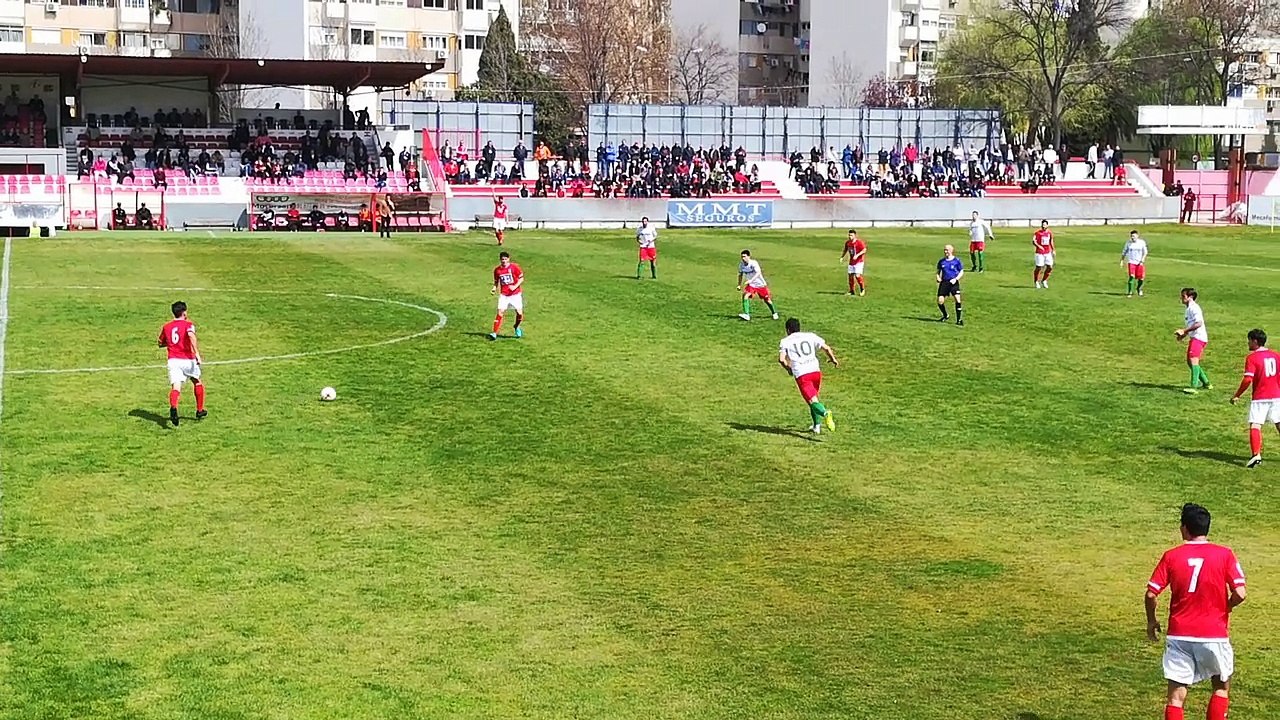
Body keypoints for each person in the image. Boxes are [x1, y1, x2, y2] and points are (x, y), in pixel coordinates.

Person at [1145, 503, 1246, 720]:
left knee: (1175, 698)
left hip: (1179, 634)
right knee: (1220, 686)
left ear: (1184, 529)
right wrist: (1226, 607)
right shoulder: (1225, 554)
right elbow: (1241, 592)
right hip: (1214, 633)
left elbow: (1151, 594)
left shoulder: (1172, 556)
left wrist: (1151, 621)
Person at [1228, 328, 1280, 468]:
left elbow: (1247, 380)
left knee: (1255, 424)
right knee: (1279, 423)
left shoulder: (1252, 358)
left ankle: (1256, 455)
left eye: (1249, 340)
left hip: (1260, 397)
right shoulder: (1276, 356)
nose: (1248, 343)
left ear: (1255, 341)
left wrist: (1237, 395)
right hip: (1276, 396)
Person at [778, 317, 838, 434]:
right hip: (815, 372)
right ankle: (816, 426)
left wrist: (788, 369)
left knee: (812, 401)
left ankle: (825, 413)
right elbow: (826, 348)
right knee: (814, 399)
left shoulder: (785, 341)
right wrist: (833, 359)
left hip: (802, 375)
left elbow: (781, 359)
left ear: (788, 330)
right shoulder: (810, 336)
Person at [157, 300, 207, 427]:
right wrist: (197, 353)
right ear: (184, 312)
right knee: (197, 381)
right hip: (187, 359)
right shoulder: (188, 324)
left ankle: (173, 407)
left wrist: (171, 343)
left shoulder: (166, 327)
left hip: (173, 360)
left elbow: (160, 343)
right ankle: (200, 410)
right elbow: (191, 336)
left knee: (176, 387)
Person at [1175, 288, 1212, 394]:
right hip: (1195, 337)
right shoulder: (1188, 309)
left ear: (1190, 297)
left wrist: (1184, 330)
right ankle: (1206, 383)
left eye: (1183, 296)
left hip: (1198, 338)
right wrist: (1183, 335)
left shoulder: (1194, 308)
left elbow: (1198, 323)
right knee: (1190, 362)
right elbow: (1192, 324)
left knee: (1193, 360)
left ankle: (1194, 387)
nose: (1181, 298)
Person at [489, 251, 524, 340]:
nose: (504, 261)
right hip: (504, 295)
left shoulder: (514, 267)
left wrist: (515, 286)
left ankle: (516, 327)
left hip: (515, 294)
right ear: (500, 260)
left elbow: (521, 278)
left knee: (519, 314)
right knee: (500, 312)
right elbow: (496, 282)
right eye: (502, 259)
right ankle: (494, 333)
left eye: (505, 259)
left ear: (508, 259)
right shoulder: (497, 270)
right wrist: (494, 288)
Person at [737, 250, 779, 321]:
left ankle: (774, 313)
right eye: (742, 257)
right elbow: (740, 274)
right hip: (751, 285)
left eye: (744, 256)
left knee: (767, 300)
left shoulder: (753, 263)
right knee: (745, 295)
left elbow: (758, 273)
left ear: (748, 257)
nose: (743, 258)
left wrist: (751, 280)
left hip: (760, 284)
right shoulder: (741, 265)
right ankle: (747, 315)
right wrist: (739, 285)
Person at [935, 244, 965, 326]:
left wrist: (956, 279)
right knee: (940, 301)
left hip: (953, 283)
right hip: (944, 283)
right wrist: (938, 277)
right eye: (944, 250)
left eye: (947, 250)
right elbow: (938, 271)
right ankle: (945, 315)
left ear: (951, 250)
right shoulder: (941, 261)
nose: (945, 252)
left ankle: (959, 320)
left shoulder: (956, 261)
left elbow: (961, 271)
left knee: (957, 300)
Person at [1121, 229, 1148, 298]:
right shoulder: (1128, 243)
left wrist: (1142, 260)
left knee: (1141, 278)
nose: (1132, 237)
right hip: (1131, 262)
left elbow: (1145, 252)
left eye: (1134, 236)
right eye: (1131, 236)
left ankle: (1139, 289)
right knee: (1132, 276)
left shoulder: (1141, 242)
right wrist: (1122, 260)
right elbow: (1124, 252)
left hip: (1139, 262)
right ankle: (1130, 292)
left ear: (1137, 236)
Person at [840, 229, 867, 296]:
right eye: (849, 235)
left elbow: (864, 250)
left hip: (859, 262)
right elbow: (845, 250)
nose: (850, 236)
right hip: (851, 262)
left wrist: (857, 255)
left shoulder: (859, 242)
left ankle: (862, 289)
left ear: (855, 236)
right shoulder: (848, 243)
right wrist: (842, 257)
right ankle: (851, 291)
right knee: (850, 276)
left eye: (851, 235)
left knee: (857, 275)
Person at [1032, 219, 1055, 288]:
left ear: (1047, 225)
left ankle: (1044, 280)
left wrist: (1053, 250)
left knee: (1050, 267)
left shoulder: (1049, 233)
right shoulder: (1037, 233)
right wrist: (1038, 246)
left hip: (1047, 252)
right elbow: (1033, 241)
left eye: (1045, 224)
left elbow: (1051, 241)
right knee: (1039, 267)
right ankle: (1036, 281)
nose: (1043, 226)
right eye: (1042, 225)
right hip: (1040, 253)